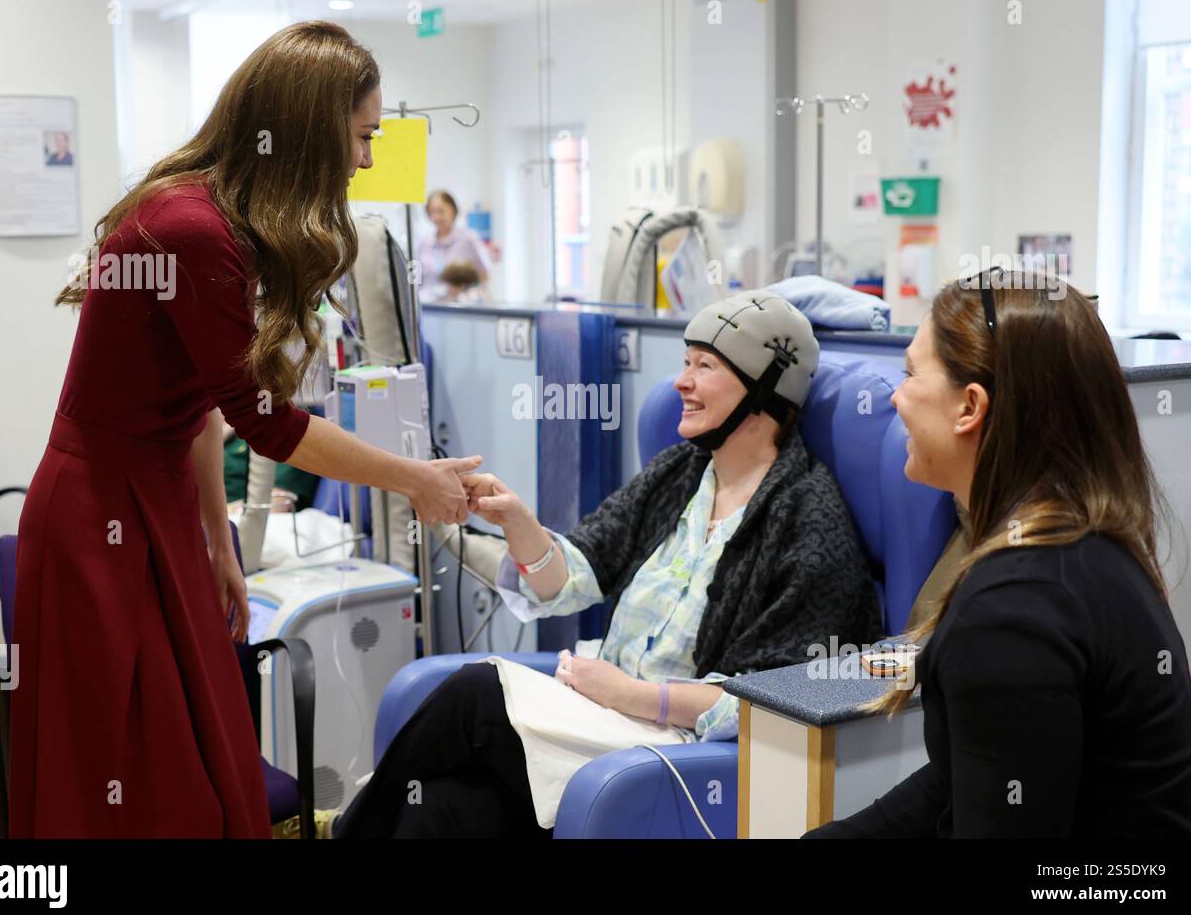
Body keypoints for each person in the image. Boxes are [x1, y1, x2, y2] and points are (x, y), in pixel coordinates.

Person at [12, 21, 480, 838]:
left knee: (195, 750)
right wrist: (417, 480)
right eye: (364, 135)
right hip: (99, 517)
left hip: (153, 498)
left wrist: (217, 543)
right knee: (132, 770)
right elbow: (269, 426)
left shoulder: (217, 219)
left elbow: (198, 406)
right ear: (309, 124)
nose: (367, 159)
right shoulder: (190, 229)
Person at [335, 289, 883, 838]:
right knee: (433, 806)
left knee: (475, 694)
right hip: (602, 724)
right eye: (685, 362)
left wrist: (634, 695)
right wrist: (517, 521)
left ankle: (346, 832)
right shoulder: (681, 475)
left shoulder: (810, 519)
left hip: (676, 753)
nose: (681, 382)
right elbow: (576, 575)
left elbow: (786, 697)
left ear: (764, 390)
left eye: (705, 366)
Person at [806, 269, 1191, 838]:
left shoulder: (1014, 608)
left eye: (911, 373)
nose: (894, 397)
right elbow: (960, 781)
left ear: (970, 407)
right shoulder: (1083, 539)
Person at [416, 190, 489, 303]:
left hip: (459, 308)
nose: (436, 217)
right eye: (432, 212)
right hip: (429, 308)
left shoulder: (468, 239)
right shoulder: (424, 243)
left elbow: (483, 275)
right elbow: (417, 280)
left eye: (441, 211)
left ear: (453, 210)